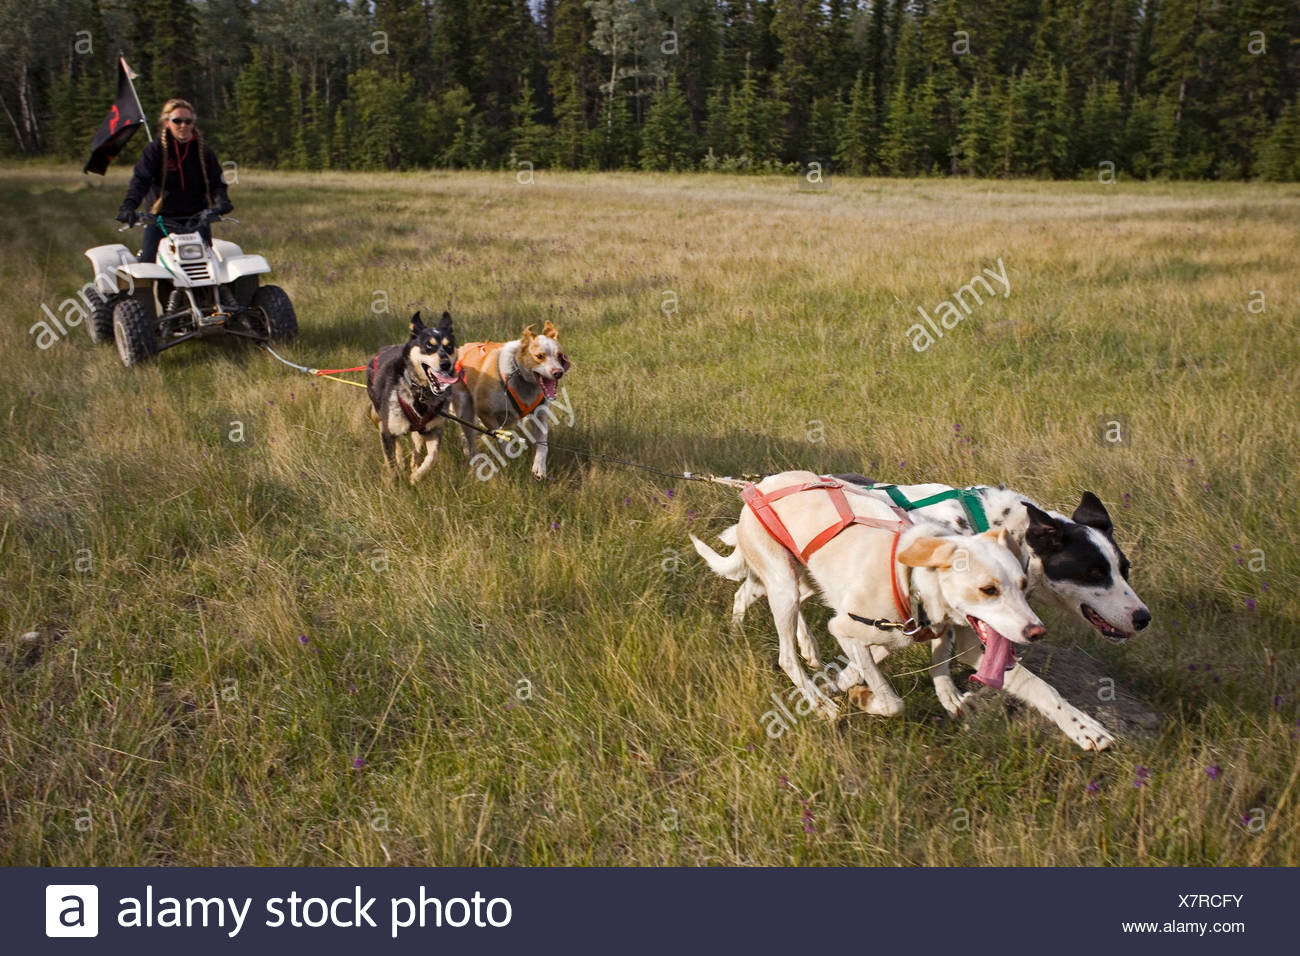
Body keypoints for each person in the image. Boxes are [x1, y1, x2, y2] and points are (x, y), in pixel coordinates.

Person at [117, 98, 232, 262]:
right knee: (149, 266)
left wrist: (222, 202)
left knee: (208, 267)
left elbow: (217, 182)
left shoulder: (203, 152)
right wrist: (128, 206)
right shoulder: (155, 150)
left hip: (197, 219)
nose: (183, 125)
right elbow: (140, 181)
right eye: (177, 121)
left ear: (193, 123)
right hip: (160, 220)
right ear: (166, 123)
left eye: (188, 121)